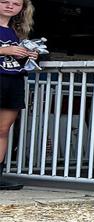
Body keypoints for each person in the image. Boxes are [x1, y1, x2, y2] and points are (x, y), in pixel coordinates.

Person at [0, 0, 38, 191]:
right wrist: (4, 50)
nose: (9, 6)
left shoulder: (18, 32)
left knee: (3, 130)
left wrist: (29, 55)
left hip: (13, 81)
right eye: (4, 1)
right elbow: (6, 51)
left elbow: (18, 59)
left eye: (16, 3)